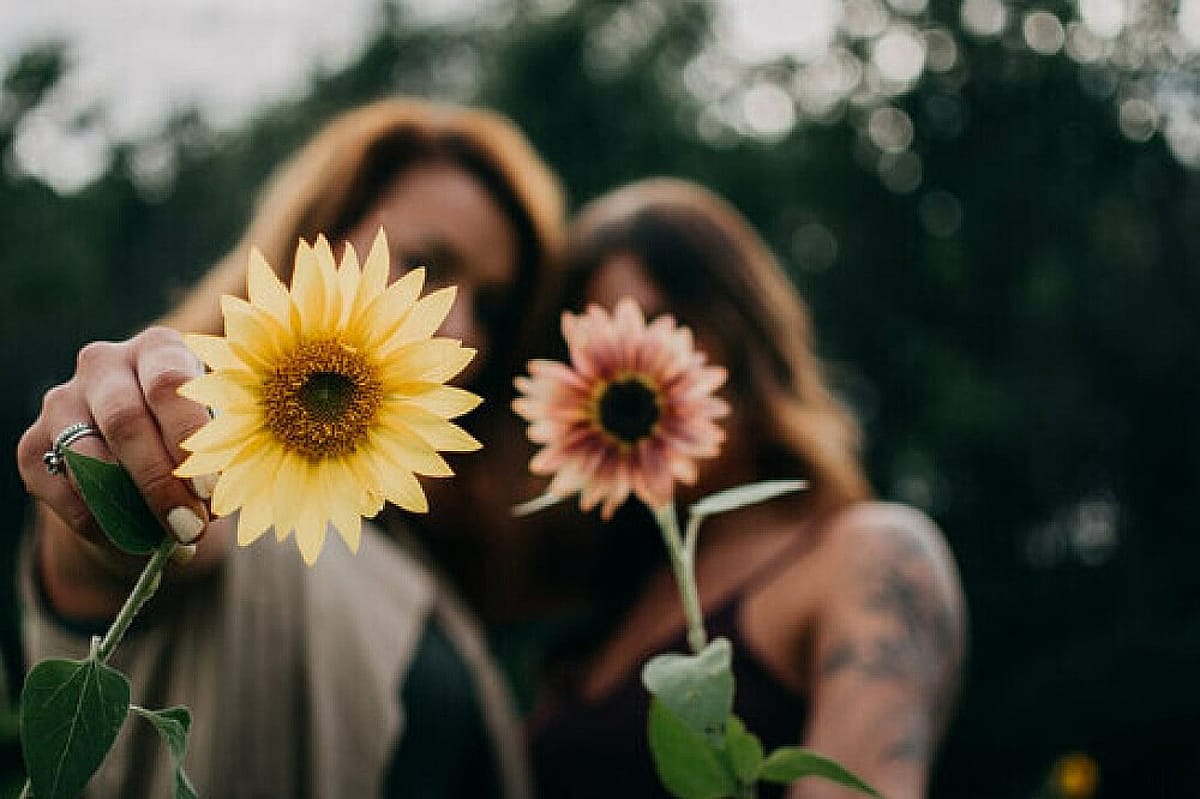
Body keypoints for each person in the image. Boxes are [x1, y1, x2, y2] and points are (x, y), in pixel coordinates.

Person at [15, 98, 565, 798]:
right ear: (318, 239)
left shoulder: (405, 536)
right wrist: (113, 474)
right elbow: (146, 545)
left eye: (491, 306)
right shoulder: (213, 458)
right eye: (427, 262)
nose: (459, 327)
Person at [526, 178, 967, 799]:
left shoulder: (868, 559)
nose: (626, 370)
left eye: (658, 325)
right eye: (588, 352)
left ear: (743, 330)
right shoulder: (607, 611)